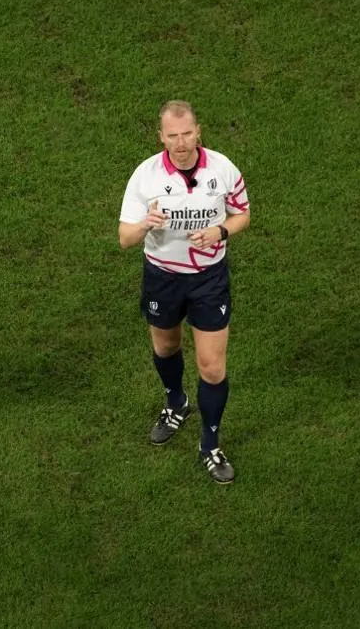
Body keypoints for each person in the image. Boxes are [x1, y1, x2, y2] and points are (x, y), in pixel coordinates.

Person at [118, 101, 251, 484]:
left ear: (199, 131)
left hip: (209, 278)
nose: (180, 142)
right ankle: (176, 401)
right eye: (172, 135)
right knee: (165, 347)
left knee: (212, 367)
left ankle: (209, 445)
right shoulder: (145, 176)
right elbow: (125, 238)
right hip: (162, 276)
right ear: (161, 136)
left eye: (187, 133)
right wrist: (147, 223)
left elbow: (242, 213)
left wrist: (220, 231)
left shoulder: (223, 169)